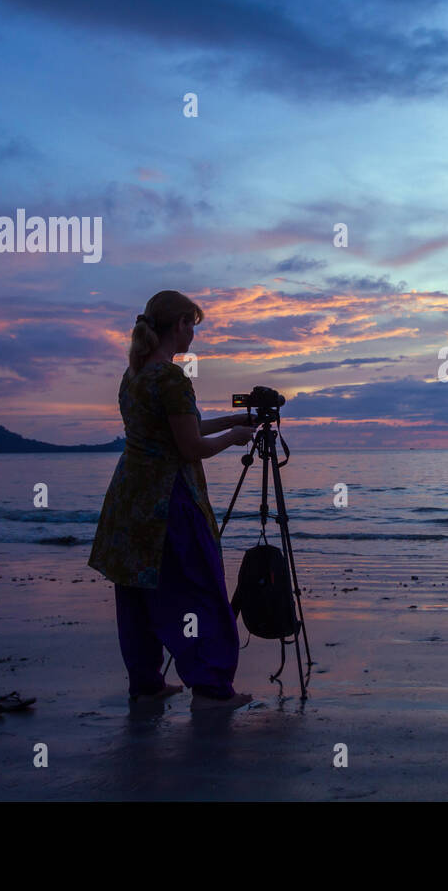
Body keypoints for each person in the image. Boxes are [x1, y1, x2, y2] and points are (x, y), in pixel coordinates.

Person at [88, 290, 256, 710]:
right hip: (168, 502)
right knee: (199, 591)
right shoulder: (171, 378)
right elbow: (190, 447)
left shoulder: (136, 375)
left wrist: (234, 418)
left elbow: (183, 427)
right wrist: (235, 438)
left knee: (137, 594)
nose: (194, 335)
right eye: (192, 326)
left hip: (129, 500)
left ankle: (146, 685)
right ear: (179, 324)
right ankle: (212, 690)